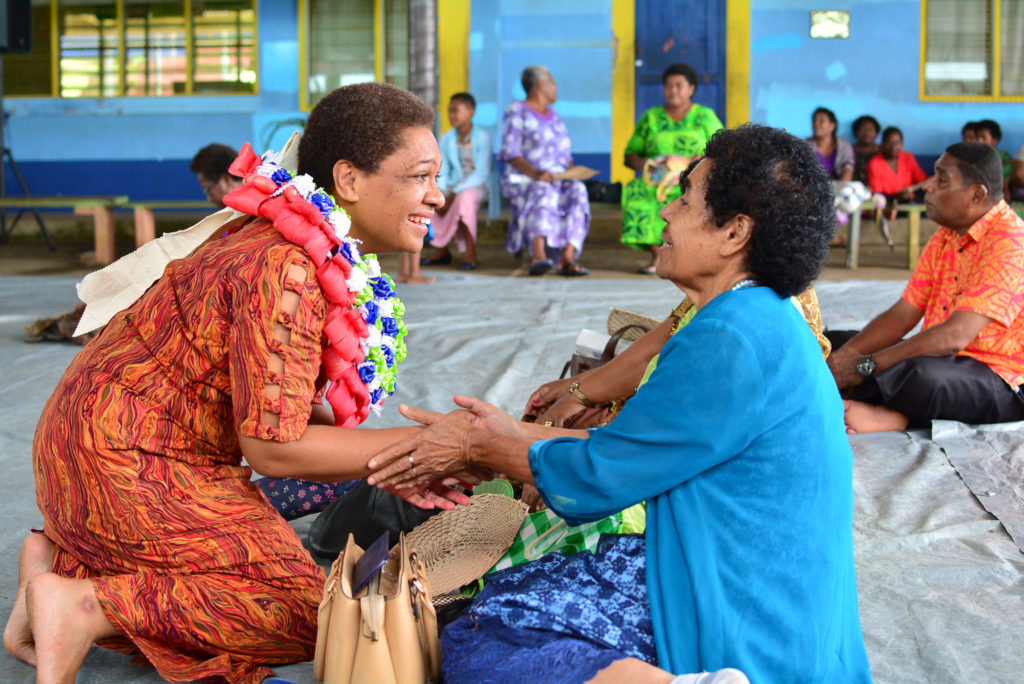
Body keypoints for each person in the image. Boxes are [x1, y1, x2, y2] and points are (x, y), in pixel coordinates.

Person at [2, 82, 475, 683]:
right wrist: (423, 448)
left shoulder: (293, 244)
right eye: (420, 176)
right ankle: (85, 604)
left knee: (324, 524)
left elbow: (288, 416)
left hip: (88, 440)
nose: (437, 196)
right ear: (349, 181)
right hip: (125, 461)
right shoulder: (287, 268)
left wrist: (401, 466)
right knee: (319, 615)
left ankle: (61, 559)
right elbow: (273, 448)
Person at [367, 124, 873, 684]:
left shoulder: (732, 336)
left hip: (744, 606)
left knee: (486, 634)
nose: (665, 213)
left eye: (684, 200)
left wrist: (481, 444)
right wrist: (504, 434)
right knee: (508, 594)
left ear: (734, 233)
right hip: (769, 588)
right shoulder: (753, 316)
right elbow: (634, 447)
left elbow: (604, 472)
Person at [826, 142, 1024, 434]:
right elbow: (902, 315)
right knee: (836, 340)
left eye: (941, 179)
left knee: (919, 375)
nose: (927, 186)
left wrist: (864, 366)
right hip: (944, 359)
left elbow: (955, 336)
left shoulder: (1009, 241)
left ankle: (894, 416)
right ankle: (876, 407)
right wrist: (848, 357)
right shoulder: (945, 236)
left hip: (1001, 379)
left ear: (976, 194)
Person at [620, 62, 723, 273]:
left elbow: (724, 148)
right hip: (658, 179)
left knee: (699, 196)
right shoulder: (651, 118)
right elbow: (630, 155)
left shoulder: (705, 116)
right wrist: (647, 165)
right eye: (668, 86)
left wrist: (703, 158)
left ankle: (690, 257)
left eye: (679, 85)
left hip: (693, 180)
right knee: (637, 191)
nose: (673, 90)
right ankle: (658, 256)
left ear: (691, 89)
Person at [500, 65, 591, 276]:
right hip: (525, 178)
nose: (555, 87)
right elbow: (510, 152)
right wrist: (536, 174)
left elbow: (565, 155)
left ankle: (567, 258)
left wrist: (573, 172)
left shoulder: (555, 116)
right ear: (541, 84)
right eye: (553, 82)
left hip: (558, 177)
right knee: (543, 189)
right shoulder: (517, 111)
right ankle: (539, 255)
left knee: (578, 190)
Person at [422, 91, 492, 270]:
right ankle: (441, 249)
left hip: (477, 185)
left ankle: (470, 249)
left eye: (456, 111)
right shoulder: (447, 138)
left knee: (465, 199)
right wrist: (443, 190)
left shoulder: (482, 137)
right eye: (449, 111)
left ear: (471, 112)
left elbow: (482, 173)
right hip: (453, 185)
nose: (451, 115)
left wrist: (455, 192)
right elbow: (442, 169)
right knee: (433, 198)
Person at [865, 126, 928, 220]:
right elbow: (877, 195)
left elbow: (927, 181)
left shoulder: (908, 158)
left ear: (901, 144)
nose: (893, 147)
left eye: (896, 143)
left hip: (911, 202)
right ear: (882, 144)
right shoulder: (874, 163)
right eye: (889, 143)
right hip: (888, 206)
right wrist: (900, 195)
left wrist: (912, 188)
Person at [807, 107, 854, 182]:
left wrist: (842, 188)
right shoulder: (805, 145)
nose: (816, 124)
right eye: (814, 121)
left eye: (821, 121)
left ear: (832, 125)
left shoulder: (844, 146)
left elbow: (848, 168)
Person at [190, 142, 243, 209]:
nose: (209, 199)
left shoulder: (254, 214)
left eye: (208, 190)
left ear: (225, 180)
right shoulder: (257, 205)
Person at [975, 119, 1013, 198]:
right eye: (977, 137)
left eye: (983, 137)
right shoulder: (972, 156)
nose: (979, 140)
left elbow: (1005, 184)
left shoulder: (1003, 157)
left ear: (995, 140)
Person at [851, 114, 881, 184]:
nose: (866, 133)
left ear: (876, 132)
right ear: (856, 132)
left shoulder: (882, 151)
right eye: (862, 129)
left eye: (870, 130)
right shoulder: (849, 150)